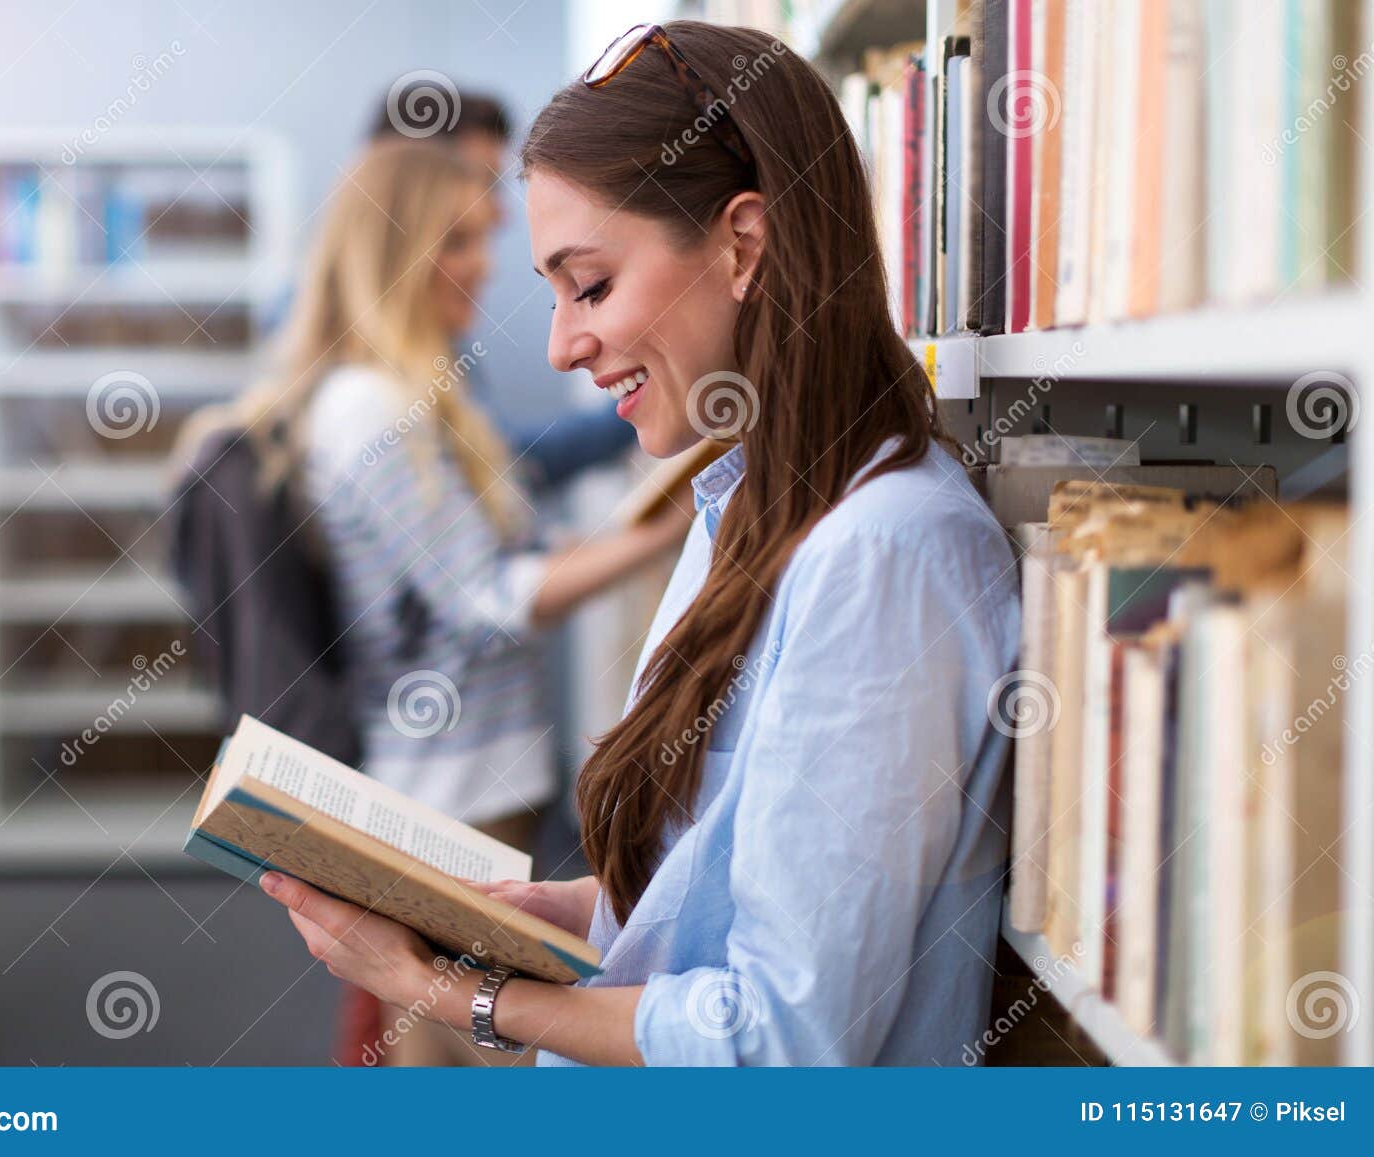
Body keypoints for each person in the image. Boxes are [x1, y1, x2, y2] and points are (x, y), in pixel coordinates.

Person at [259, 20, 1021, 1066]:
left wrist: (451, 989)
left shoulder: (881, 553)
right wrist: (568, 909)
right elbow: (731, 886)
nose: (564, 342)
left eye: (592, 284)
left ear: (742, 246)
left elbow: (784, 1036)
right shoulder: (746, 506)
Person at [231, 135, 692, 1065]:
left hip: (476, 783)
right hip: (444, 797)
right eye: (454, 242)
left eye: (481, 239)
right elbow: (484, 598)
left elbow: (482, 555)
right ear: (390, 253)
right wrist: (658, 534)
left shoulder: (426, 392)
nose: (482, 265)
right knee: (469, 1058)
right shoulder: (369, 407)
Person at [368, 82, 635, 491]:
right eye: (484, 182)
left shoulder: (429, 332)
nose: (498, 212)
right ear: (411, 184)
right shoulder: (348, 367)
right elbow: (504, 465)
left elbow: (490, 463)